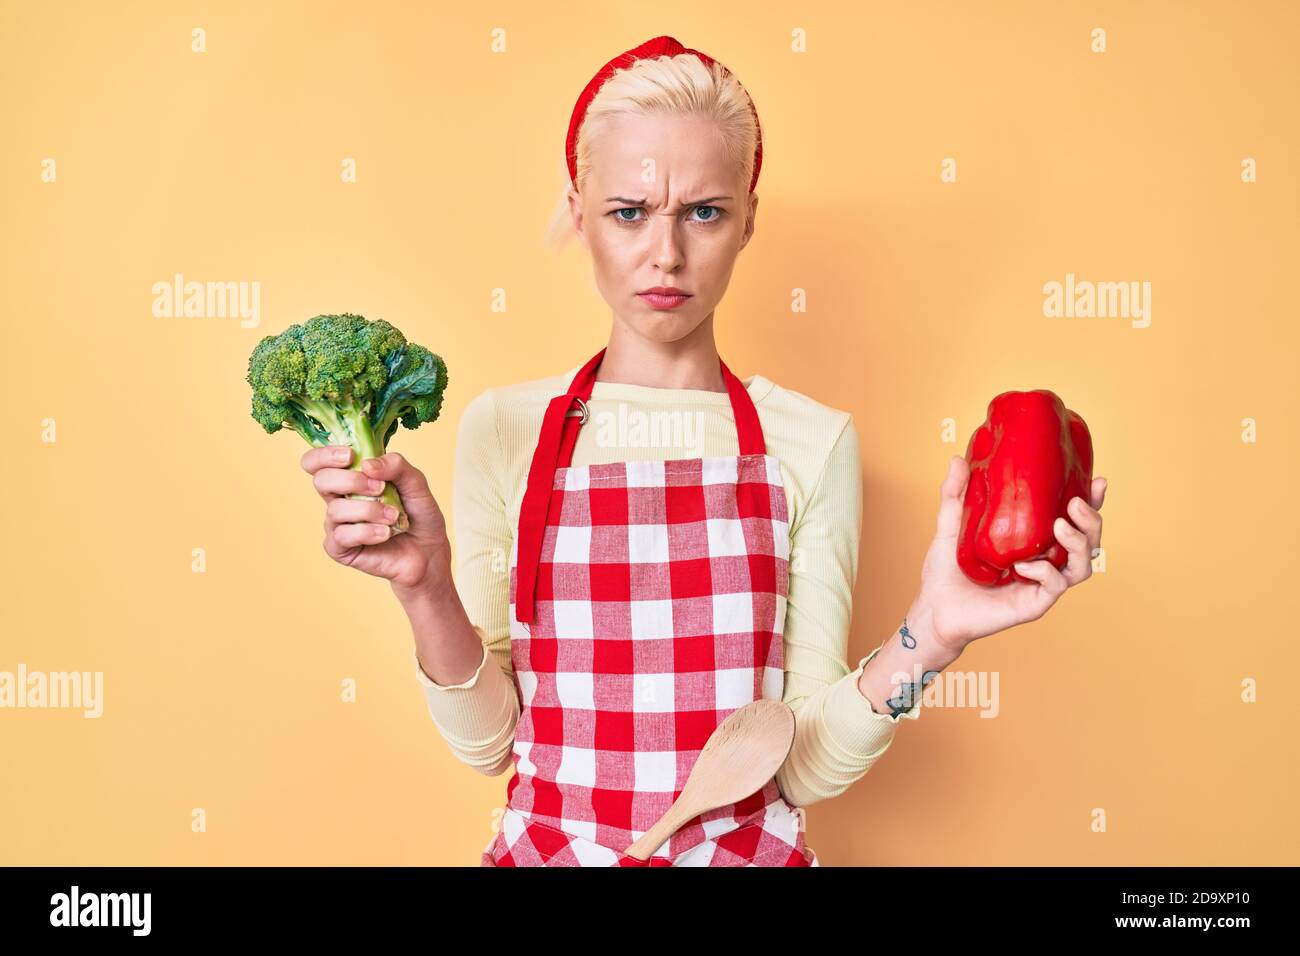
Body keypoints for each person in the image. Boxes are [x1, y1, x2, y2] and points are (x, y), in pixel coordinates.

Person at [298, 36, 1108, 867]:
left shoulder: (810, 439)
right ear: (580, 213)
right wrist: (425, 588)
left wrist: (932, 636)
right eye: (629, 212)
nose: (667, 254)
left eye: (704, 212)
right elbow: (491, 744)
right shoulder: (506, 427)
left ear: (748, 218)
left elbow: (799, 764)